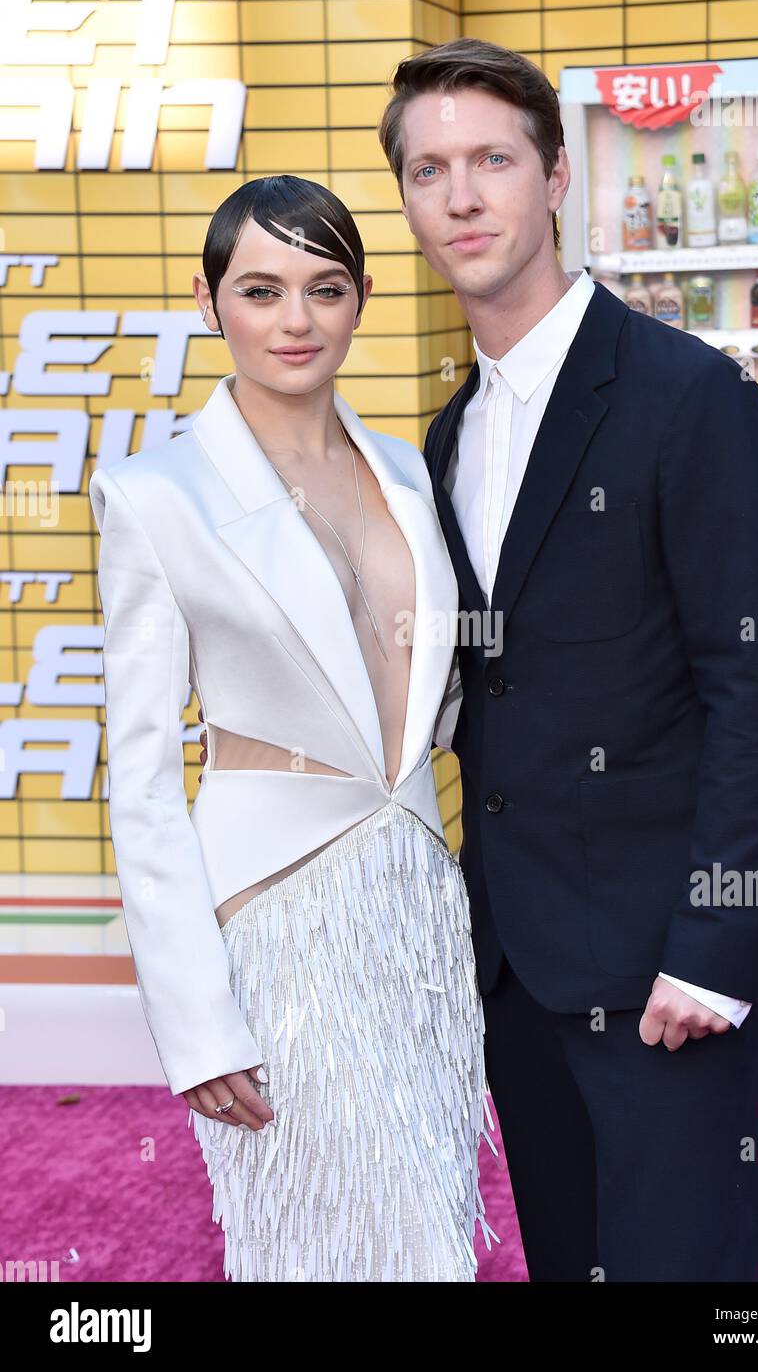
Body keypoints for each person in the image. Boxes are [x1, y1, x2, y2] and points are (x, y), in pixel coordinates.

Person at [375, 38, 758, 1282]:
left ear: (555, 175)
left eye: (492, 160)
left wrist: (717, 951)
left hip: (663, 962)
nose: (461, 196)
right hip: (516, 960)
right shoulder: (447, 432)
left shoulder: (691, 396)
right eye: (428, 169)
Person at [89, 175, 497, 1282]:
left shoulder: (409, 471)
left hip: (414, 917)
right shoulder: (153, 495)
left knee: (432, 1218)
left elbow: (436, 703)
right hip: (273, 919)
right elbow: (138, 777)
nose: (296, 320)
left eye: (325, 288)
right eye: (261, 289)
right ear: (208, 297)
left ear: (362, 297)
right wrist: (195, 1019)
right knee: (323, 1232)